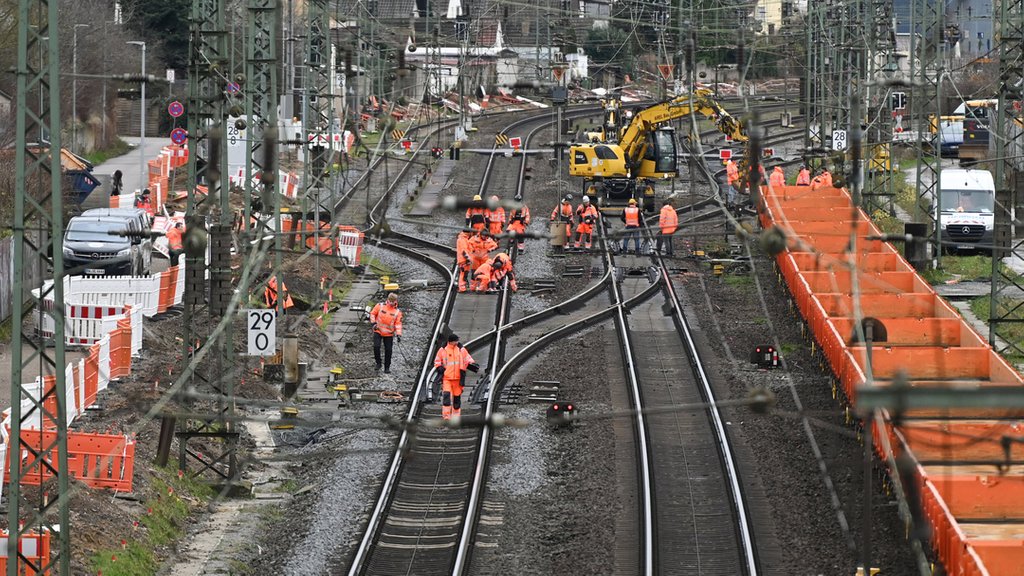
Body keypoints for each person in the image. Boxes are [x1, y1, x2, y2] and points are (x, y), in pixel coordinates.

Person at [433, 333, 479, 420]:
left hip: (458, 379)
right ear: (451, 341)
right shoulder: (443, 350)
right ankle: (446, 417)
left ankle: (455, 417)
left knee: (457, 399)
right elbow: (437, 361)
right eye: (456, 341)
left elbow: (467, 358)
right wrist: (439, 367)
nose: (457, 342)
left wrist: (472, 363)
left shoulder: (461, 349)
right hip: (447, 378)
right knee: (446, 397)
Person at [370, 292, 403, 374]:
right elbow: (372, 314)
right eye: (390, 301)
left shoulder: (397, 312)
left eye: (393, 301)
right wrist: (373, 323)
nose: (391, 303)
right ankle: (378, 363)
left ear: (395, 301)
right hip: (378, 330)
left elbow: (398, 324)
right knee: (376, 347)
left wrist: (398, 334)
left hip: (389, 334)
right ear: (388, 299)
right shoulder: (380, 306)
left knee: (388, 350)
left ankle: (387, 367)